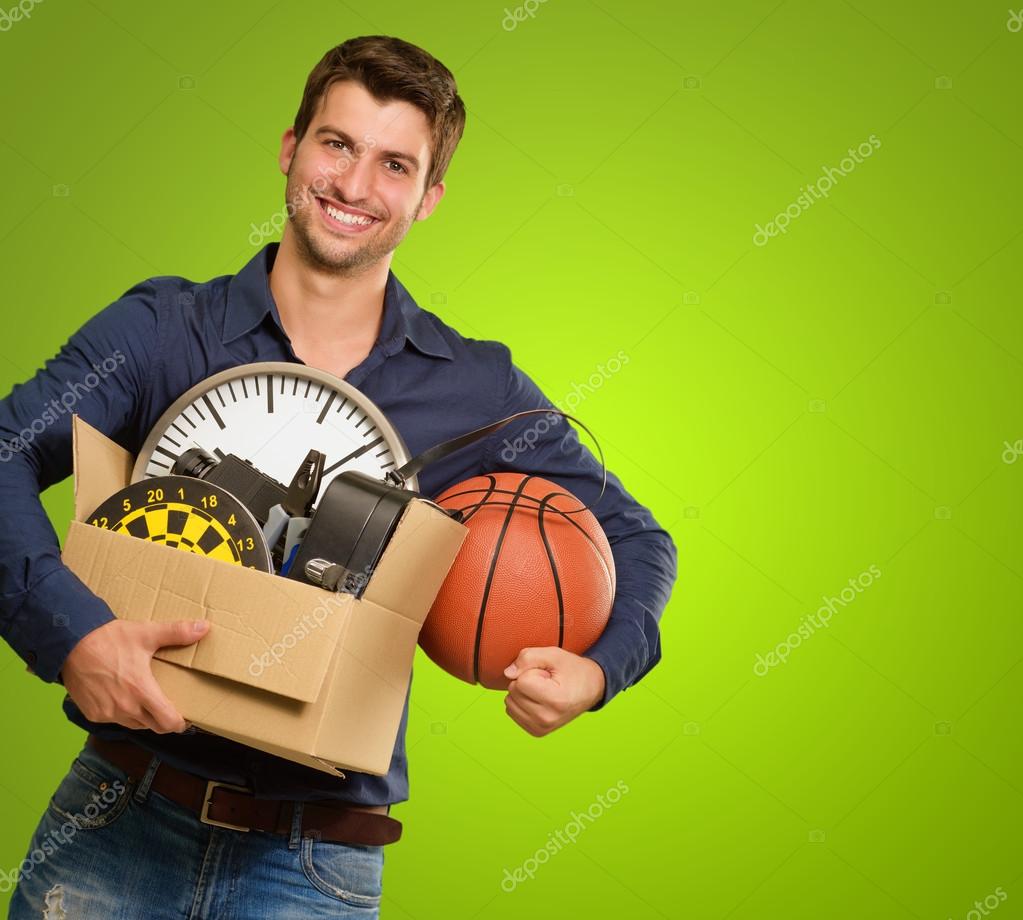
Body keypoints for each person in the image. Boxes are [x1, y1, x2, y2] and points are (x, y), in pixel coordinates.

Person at [0, 35, 678, 919]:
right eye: (337, 145)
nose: (356, 186)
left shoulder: (474, 389)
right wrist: (71, 632)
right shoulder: (163, 329)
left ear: (429, 197)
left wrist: (597, 671)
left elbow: (635, 537)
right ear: (291, 149)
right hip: (116, 820)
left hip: (317, 866)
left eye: (395, 164)